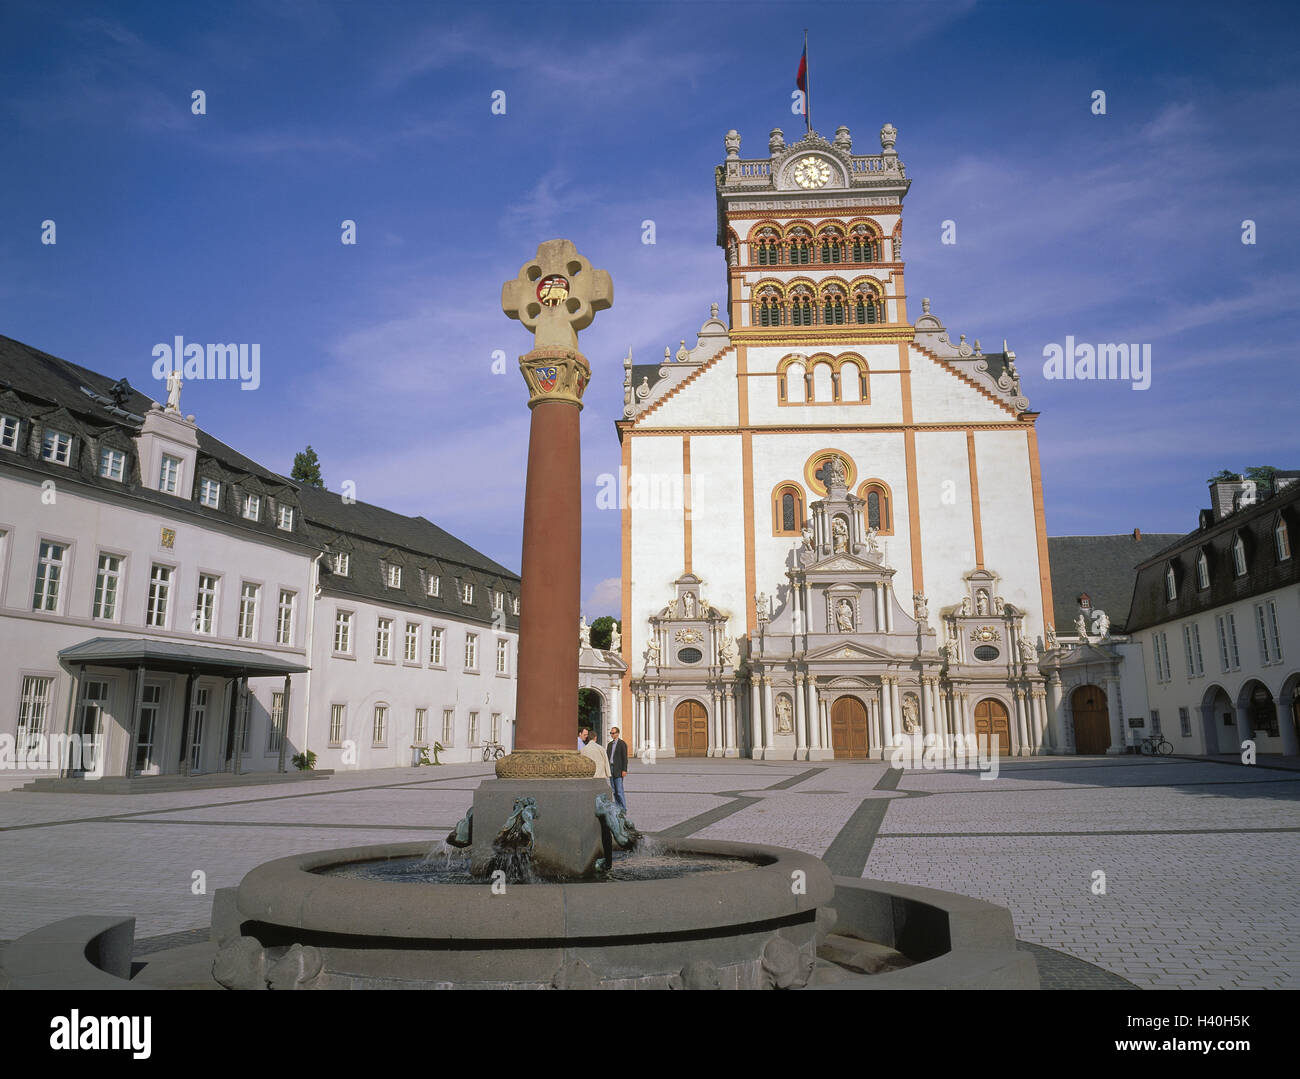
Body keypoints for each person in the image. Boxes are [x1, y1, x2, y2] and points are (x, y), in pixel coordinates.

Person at [607, 726, 628, 809]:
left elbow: (624, 758)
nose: (611, 735)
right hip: (611, 769)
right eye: (611, 733)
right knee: (614, 791)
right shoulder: (609, 745)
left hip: (618, 770)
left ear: (617, 733)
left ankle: (623, 808)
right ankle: (617, 807)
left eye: (613, 733)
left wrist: (624, 770)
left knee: (619, 790)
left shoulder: (622, 744)